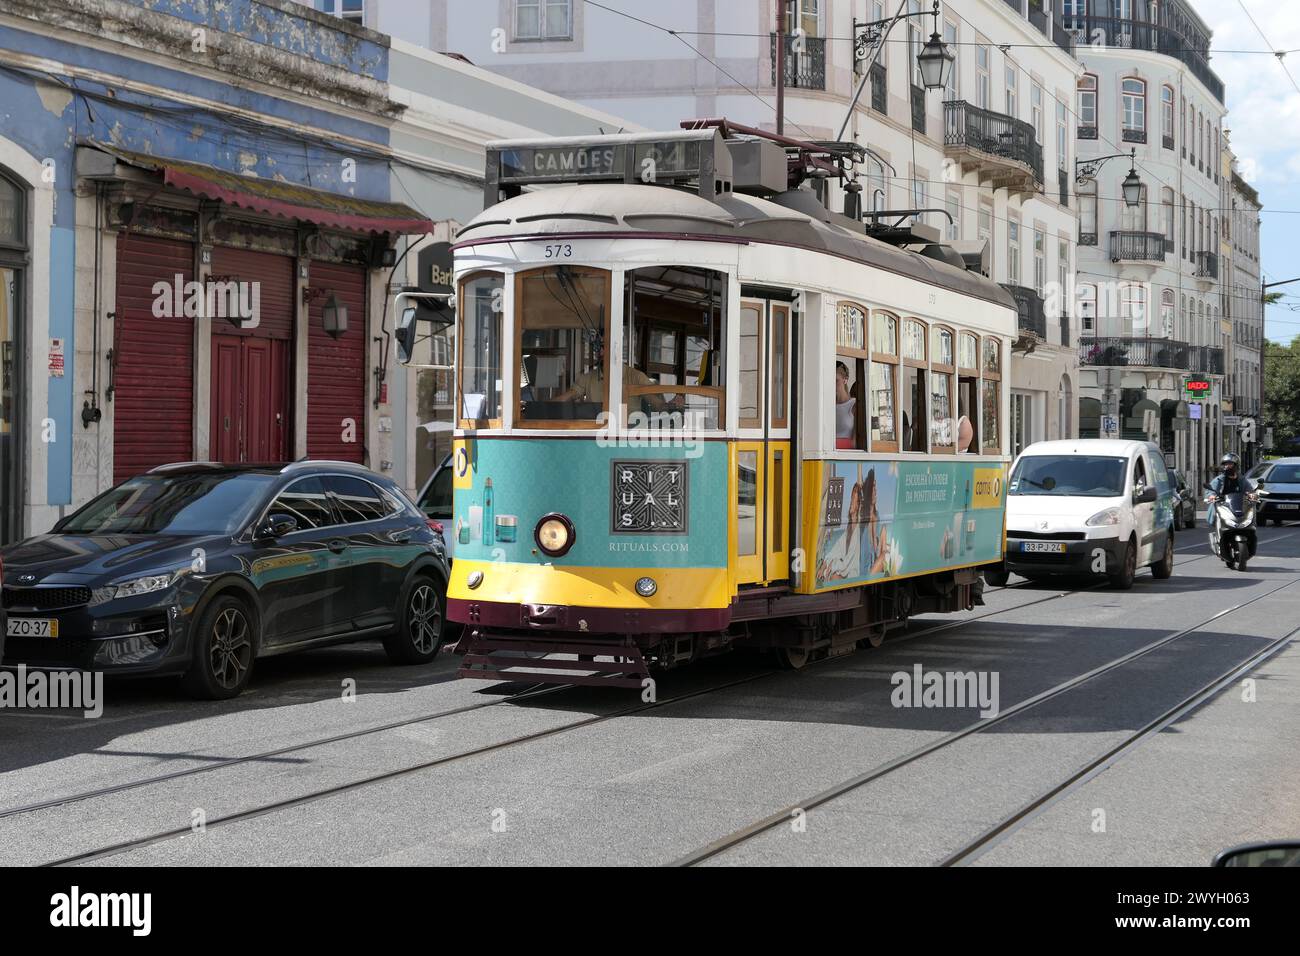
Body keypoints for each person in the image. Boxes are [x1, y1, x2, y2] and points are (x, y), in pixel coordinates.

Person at [1205, 453, 1254, 522]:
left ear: (1236, 465)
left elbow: (1249, 489)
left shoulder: (1241, 479)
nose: (1227, 466)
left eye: (1230, 464)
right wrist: (1212, 495)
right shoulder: (1219, 479)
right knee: (1217, 518)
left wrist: (1251, 494)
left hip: (1238, 508)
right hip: (1223, 508)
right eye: (1225, 464)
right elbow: (1211, 489)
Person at [834, 361, 856, 448]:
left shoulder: (854, 404)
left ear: (845, 380)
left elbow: (856, 442)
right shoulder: (825, 406)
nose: (832, 384)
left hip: (846, 455)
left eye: (836, 380)